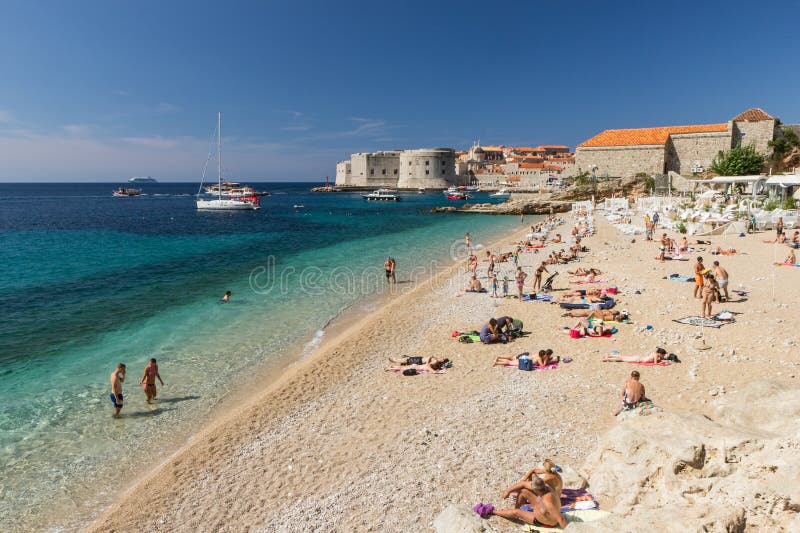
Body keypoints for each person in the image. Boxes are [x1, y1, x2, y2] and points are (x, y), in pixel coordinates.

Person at [492, 477, 566, 528]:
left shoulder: (547, 502)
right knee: (523, 491)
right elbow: (523, 484)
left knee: (516, 512)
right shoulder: (545, 486)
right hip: (541, 508)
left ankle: (494, 512)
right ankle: (515, 507)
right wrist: (508, 491)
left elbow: (560, 519)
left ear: (535, 490)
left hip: (545, 521)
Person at [603, 347, 669, 365]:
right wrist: (661, 362)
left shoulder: (655, 353)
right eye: (662, 355)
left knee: (623, 357)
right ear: (660, 353)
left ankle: (609, 355)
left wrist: (661, 359)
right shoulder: (656, 355)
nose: (662, 356)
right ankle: (607, 359)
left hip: (638, 357)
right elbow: (655, 363)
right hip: (638, 359)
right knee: (622, 359)